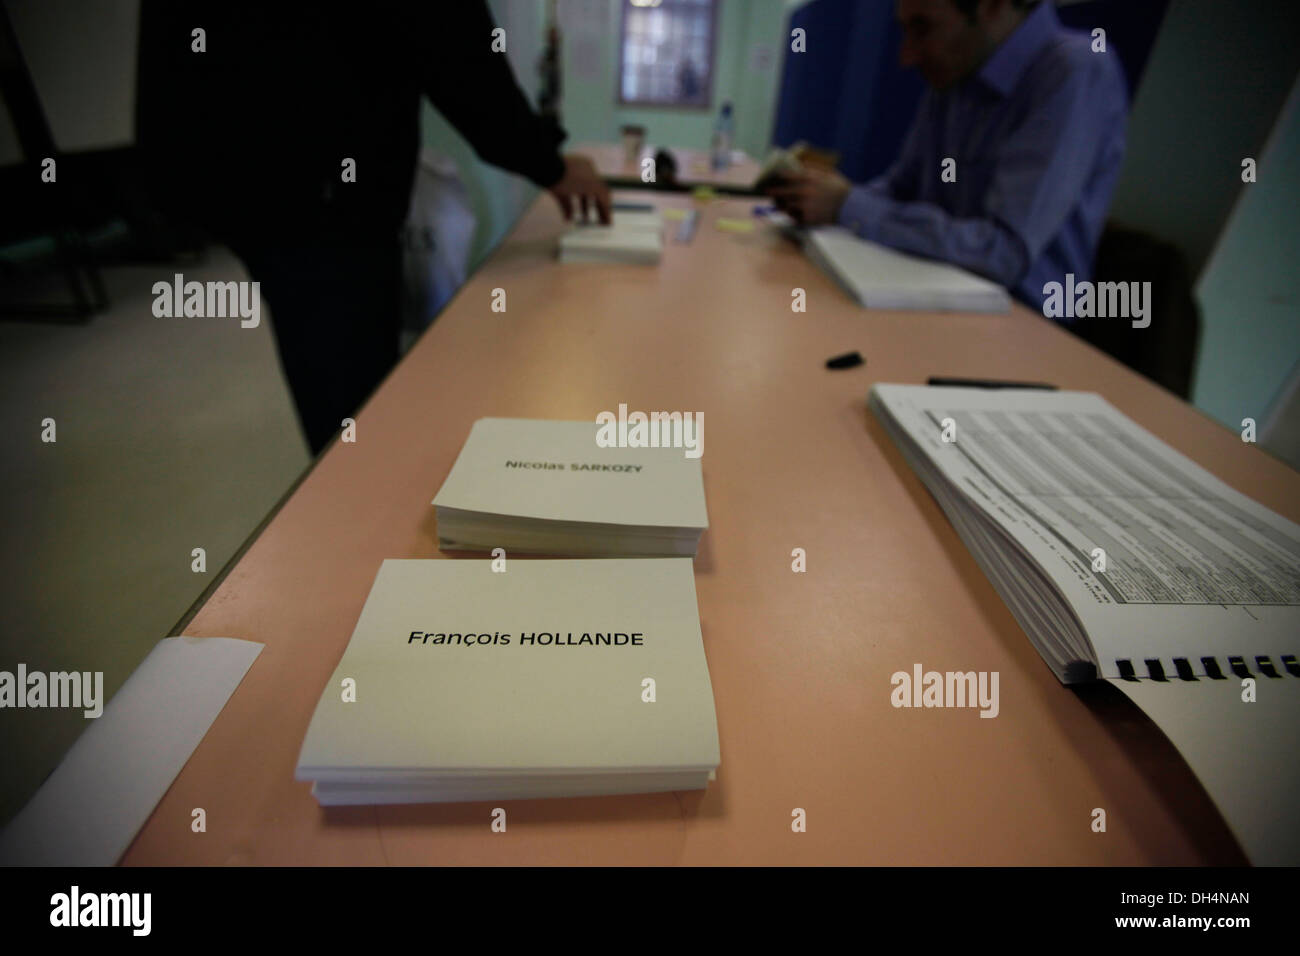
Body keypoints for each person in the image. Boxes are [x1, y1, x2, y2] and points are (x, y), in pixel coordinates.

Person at [138, 1, 610, 454]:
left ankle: (356, 490)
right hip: (318, 187)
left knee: (336, 368)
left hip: (251, 169)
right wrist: (544, 160)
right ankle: (353, 514)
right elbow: (452, 41)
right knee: (349, 397)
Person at [766, 0, 1127, 309]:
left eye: (923, 28)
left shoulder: (1075, 70)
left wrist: (848, 207)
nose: (907, 56)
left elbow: (1003, 254)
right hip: (932, 295)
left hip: (1025, 326)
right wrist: (824, 199)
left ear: (993, 5)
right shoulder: (957, 75)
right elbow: (898, 188)